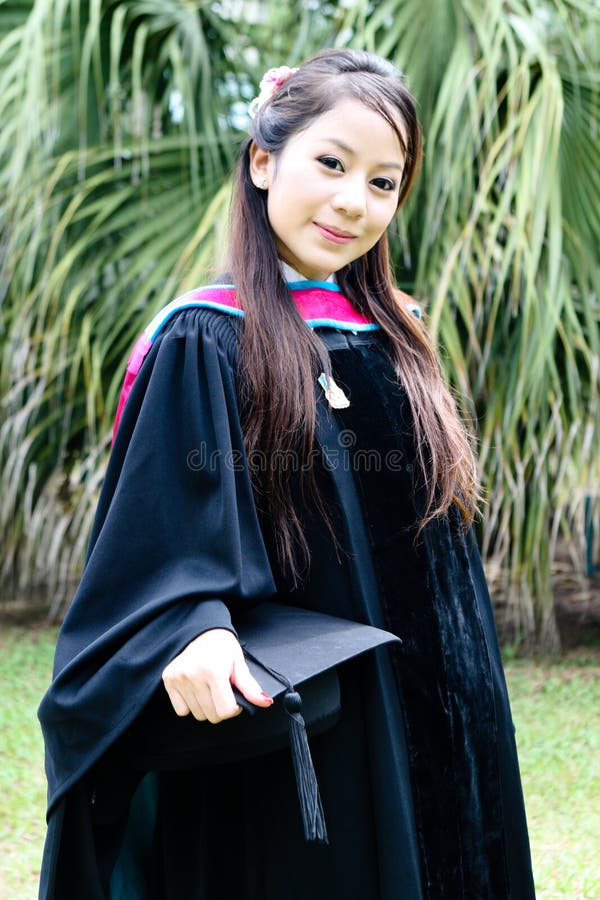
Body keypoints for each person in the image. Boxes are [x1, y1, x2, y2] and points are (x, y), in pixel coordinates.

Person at [38, 49, 536, 899]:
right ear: (265, 161)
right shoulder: (207, 337)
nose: (355, 201)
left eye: (385, 183)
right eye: (332, 163)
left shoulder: (397, 335)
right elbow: (159, 534)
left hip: (449, 718)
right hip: (311, 739)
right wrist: (189, 626)